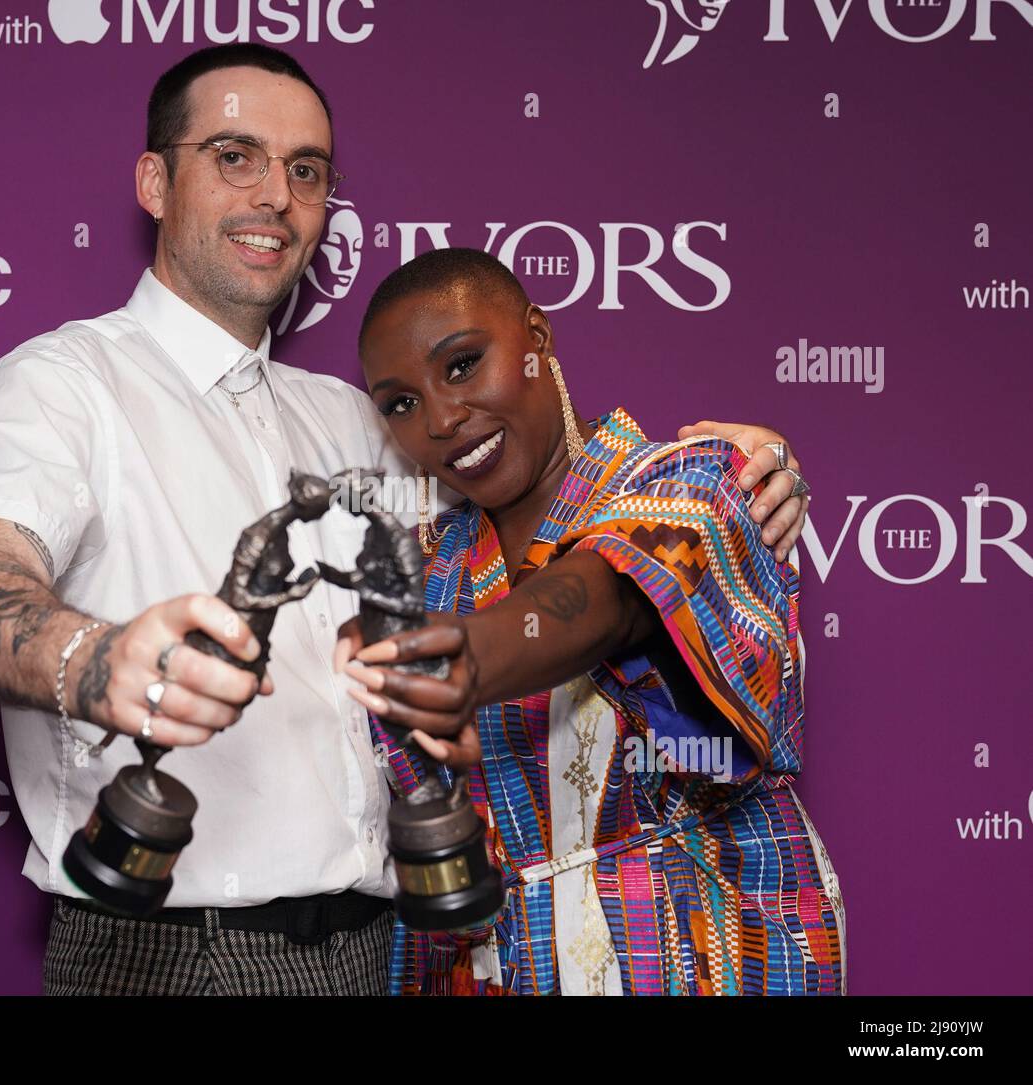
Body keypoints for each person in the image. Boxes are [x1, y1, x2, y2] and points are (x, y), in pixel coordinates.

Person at [0, 44, 811, 996]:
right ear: (154, 180)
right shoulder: (65, 382)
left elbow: (551, 507)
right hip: (179, 952)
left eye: (305, 170)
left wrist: (735, 479)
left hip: (387, 948)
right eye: (235, 156)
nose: (274, 195)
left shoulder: (355, 415)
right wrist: (92, 657)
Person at [337, 247, 843, 996]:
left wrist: (453, 659)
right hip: (509, 966)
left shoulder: (694, 482)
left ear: (536, 340)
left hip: (705, 952)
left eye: (464, 364)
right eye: (401, 403)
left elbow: (611, 596)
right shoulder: (426, 574)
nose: (442, 418)